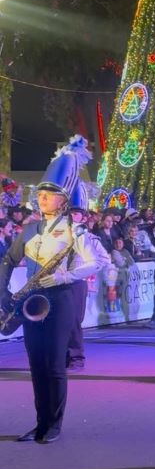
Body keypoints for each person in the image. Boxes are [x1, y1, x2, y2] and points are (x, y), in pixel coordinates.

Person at [0, 136, 107, 443]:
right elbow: (8, 259)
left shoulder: (75, 231)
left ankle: (54, 425)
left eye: (51, 194)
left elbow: (98, 260)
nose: (43, 198)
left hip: (59, 302)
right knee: (36, 365)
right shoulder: (30, 229)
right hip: (31, 302)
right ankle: (39, 422)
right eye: (42, 193)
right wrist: (4, 293)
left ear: (64, 200)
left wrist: (66, 275)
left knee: (55, 365)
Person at [66, 181, 111, 370]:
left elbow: (104, 259)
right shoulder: (58, 235)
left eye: (76, 213)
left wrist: (85, 270)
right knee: (58, 322)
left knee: (74, 321)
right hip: (56, 283)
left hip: (76, 283)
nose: (72, 216)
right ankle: (60, 357)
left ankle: (77, 358)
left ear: (83, 217)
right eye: (70, 213)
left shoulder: (90, 238)